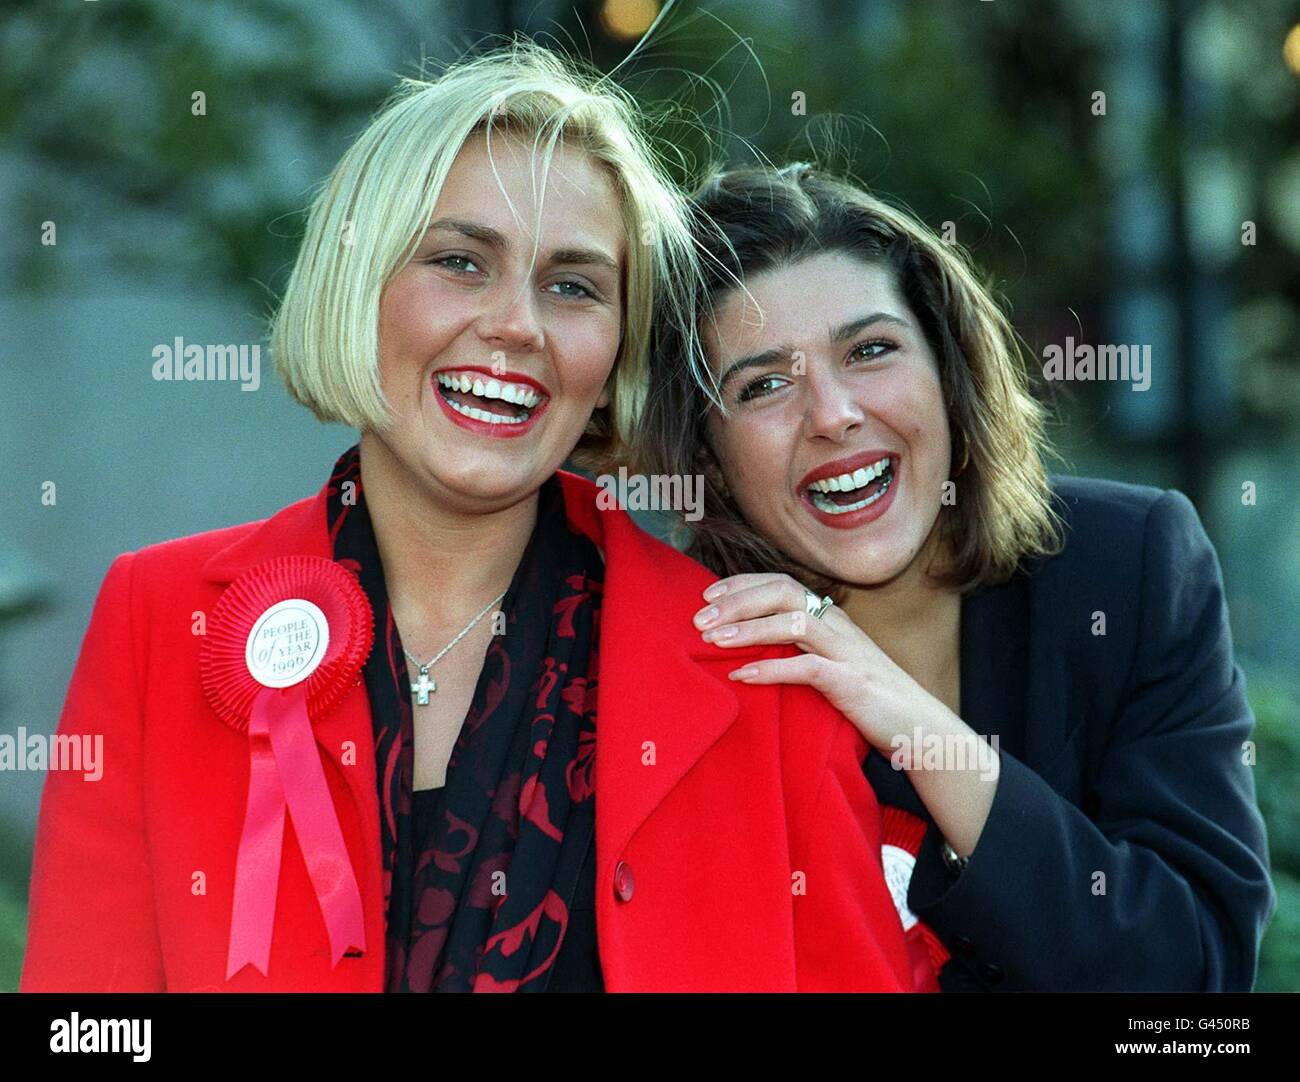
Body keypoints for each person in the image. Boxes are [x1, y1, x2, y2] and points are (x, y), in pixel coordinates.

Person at [20, 50, 918, 993]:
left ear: (615, 350)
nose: (517, 326)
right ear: (356, 279)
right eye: (459, 261)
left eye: (573, 285)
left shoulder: (761, 673)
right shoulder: (159, 621)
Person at [637, 162, 1277, 991]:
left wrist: (910, 720)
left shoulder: (1130, 567)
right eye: (764, 385)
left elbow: (1192, 973)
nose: (832, 415)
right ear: (708, 457)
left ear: (949, 370)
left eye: (870, 351)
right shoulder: (695, 664)